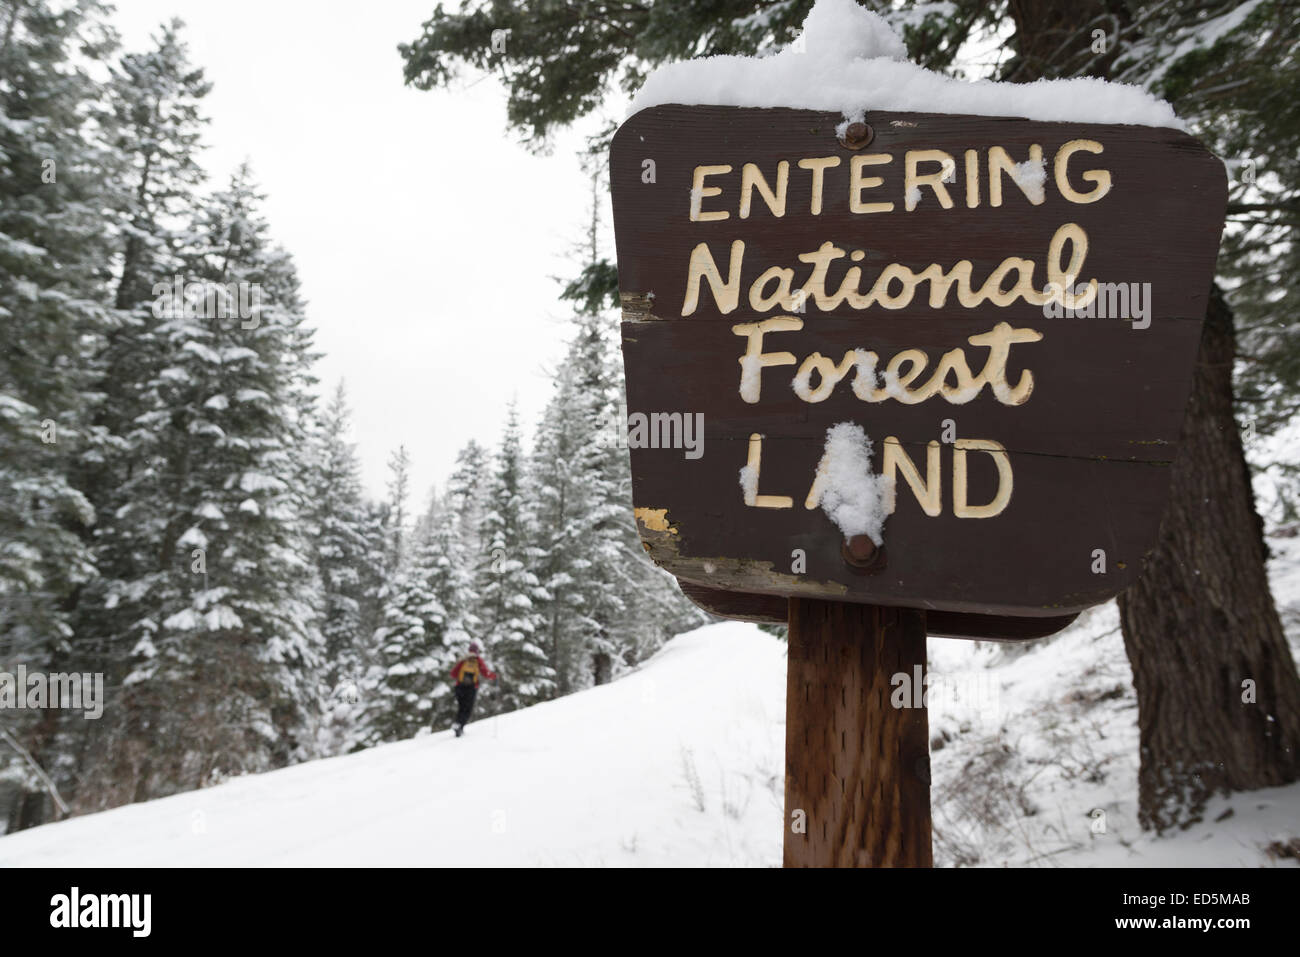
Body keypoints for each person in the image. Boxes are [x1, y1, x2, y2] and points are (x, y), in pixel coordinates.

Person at [449, 642, 497, 737]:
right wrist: (494, 676)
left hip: (460, 687)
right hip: (471, 689)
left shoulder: (464, 660)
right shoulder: (478, 660)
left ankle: (458, 724)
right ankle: (460, 726)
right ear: (477, 651)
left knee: (461, 707)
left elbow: (453, 674)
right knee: (468, 709)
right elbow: (485, 673)